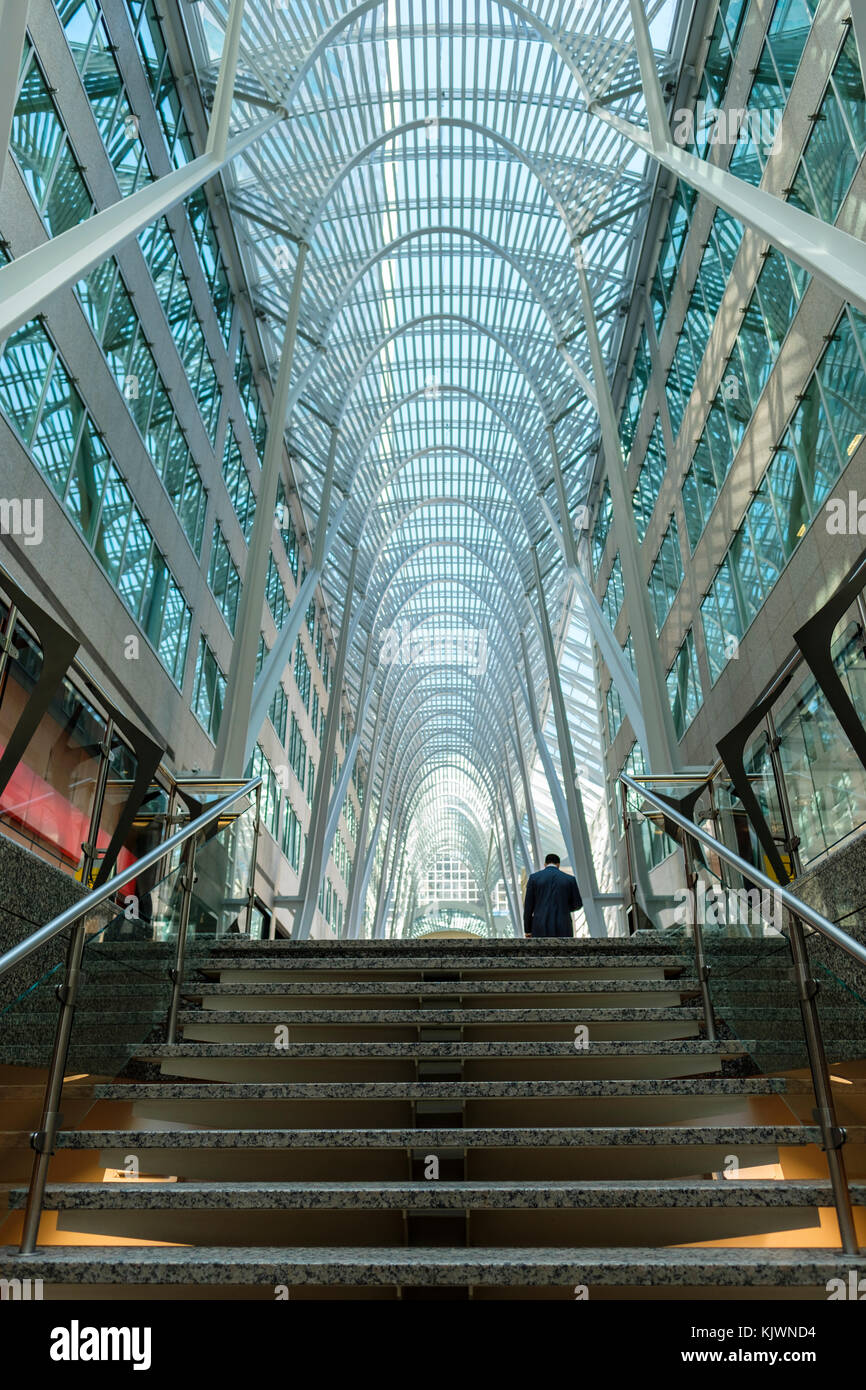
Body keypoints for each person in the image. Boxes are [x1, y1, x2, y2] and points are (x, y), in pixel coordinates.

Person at [523, 852, 581, 938]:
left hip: (540, 926)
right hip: (563, 925)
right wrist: (564, 908)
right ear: (558, 864)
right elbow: (577, 904)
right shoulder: (570, 879)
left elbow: (528, 906)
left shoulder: (534, 878)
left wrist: (528, 930)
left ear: (545, 864)